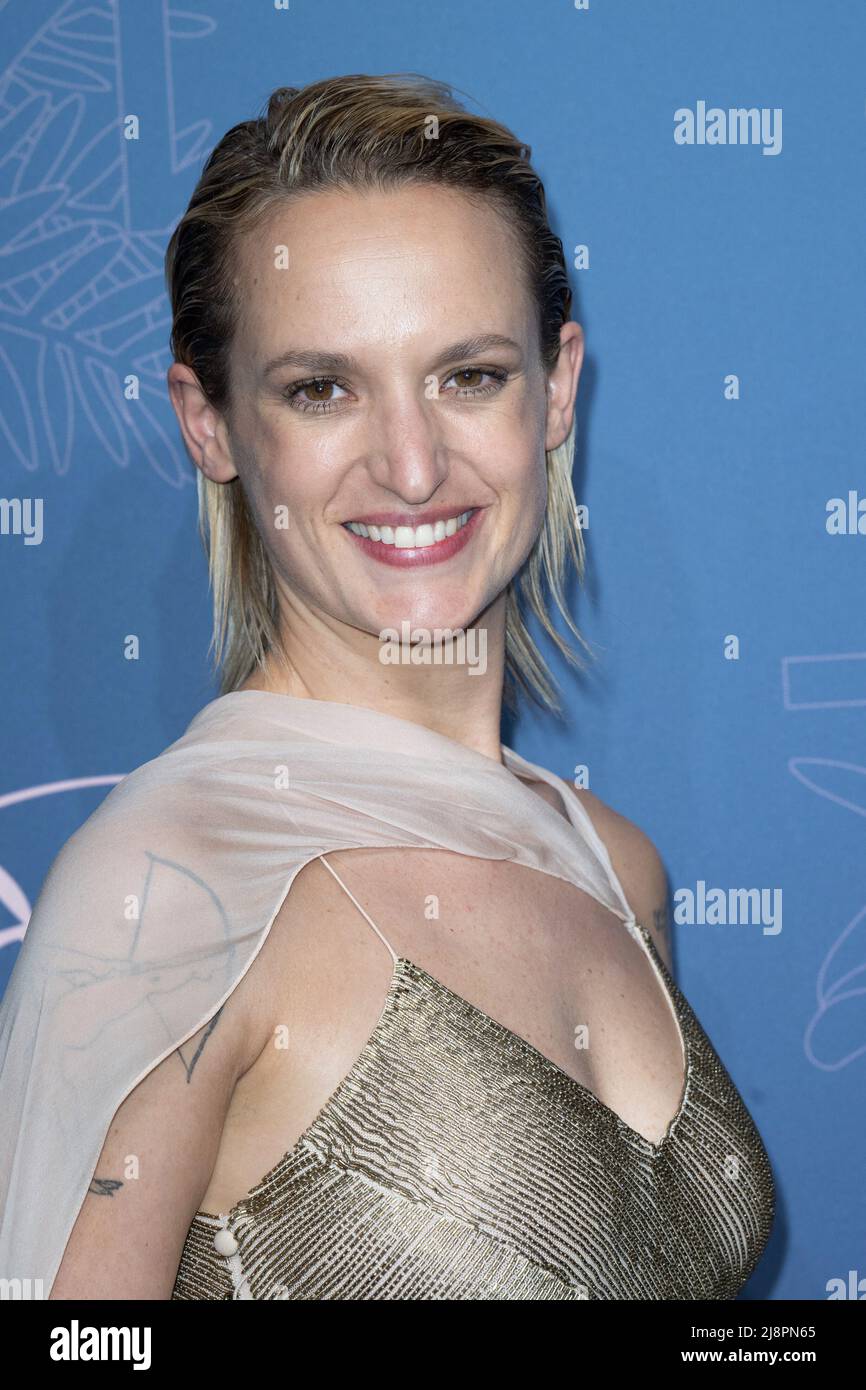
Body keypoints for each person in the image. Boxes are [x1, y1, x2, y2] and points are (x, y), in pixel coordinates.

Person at [2, 74, 774, 1301]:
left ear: (556, 386)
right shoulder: (170, 893)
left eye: (468, 375)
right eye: (322, 388)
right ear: (207, 423)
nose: (411, 467)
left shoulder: (616, 871)